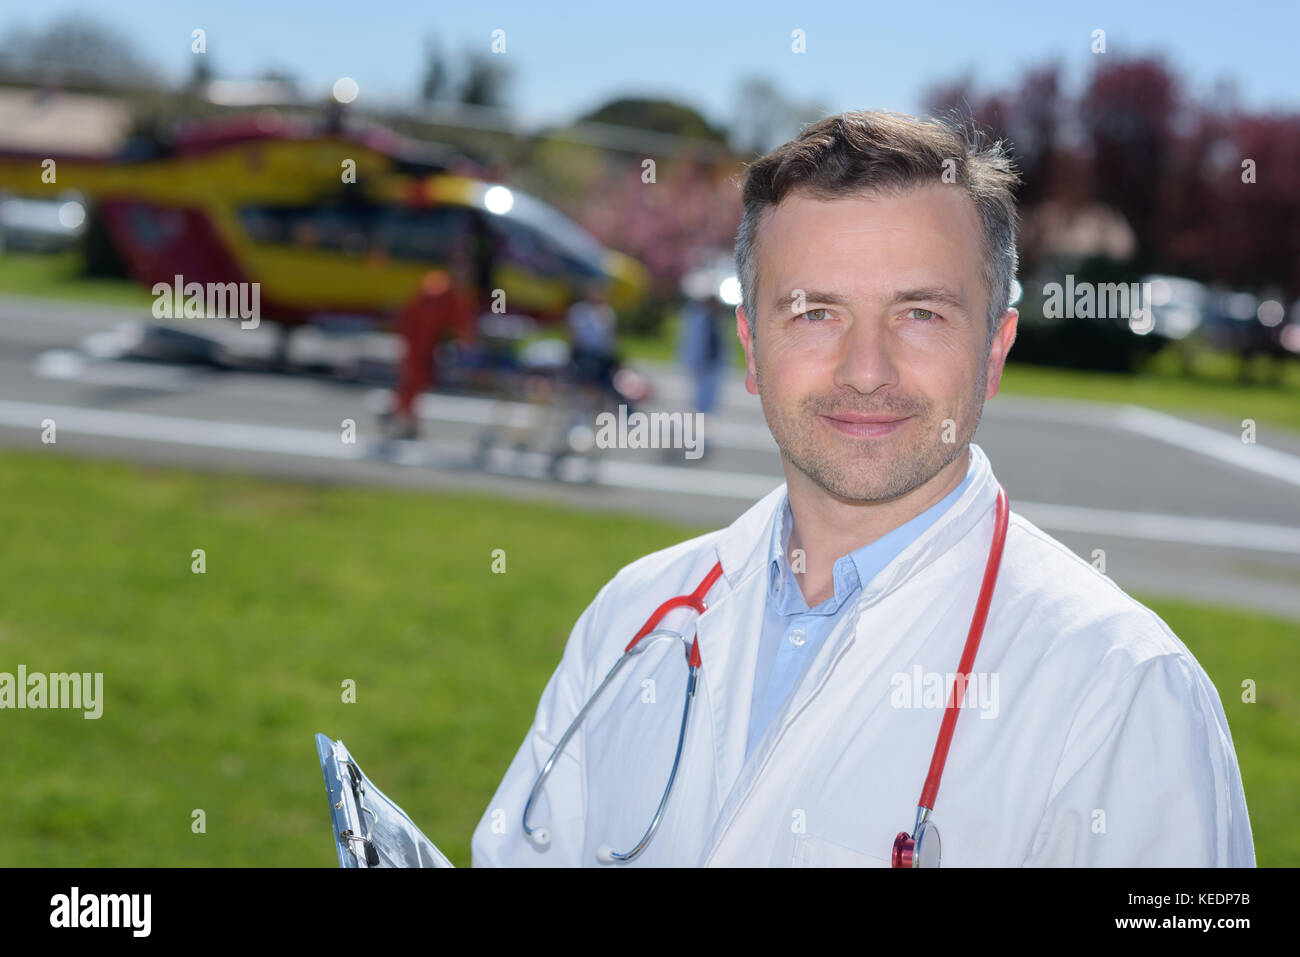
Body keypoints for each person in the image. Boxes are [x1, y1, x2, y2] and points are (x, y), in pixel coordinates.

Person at [470, 110, 1255, 867]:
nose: (866, 369)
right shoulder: (630, 617)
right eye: (814, 313)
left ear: (994, 348)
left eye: (920, 312)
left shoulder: (1126, 691)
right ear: (752, 345)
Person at [384, 246, 480, 440]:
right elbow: (425, 321)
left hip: (428, 343)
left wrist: (466, 340)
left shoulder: (457, 293)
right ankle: (404, 418)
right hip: (417, 341)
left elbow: (461, 322)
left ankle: (397, 413)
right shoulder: (438, 288)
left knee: (417, 381)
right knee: (414, 379)